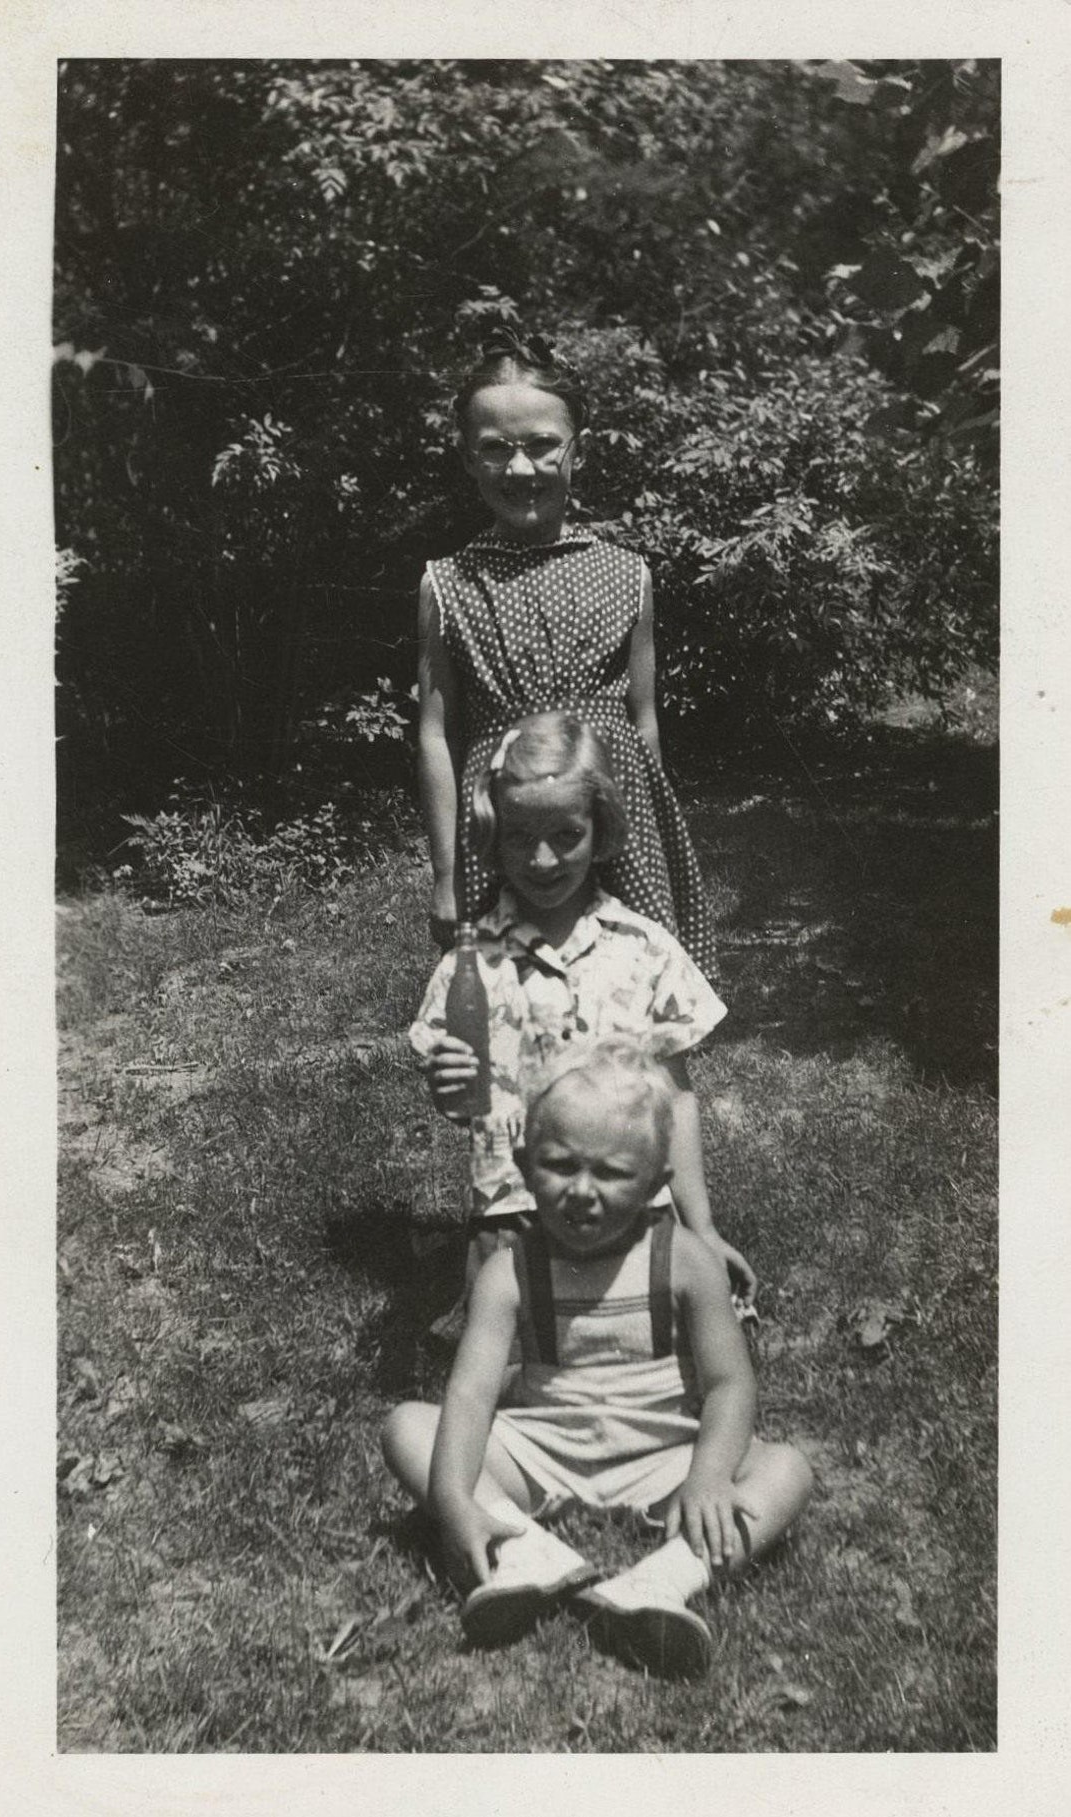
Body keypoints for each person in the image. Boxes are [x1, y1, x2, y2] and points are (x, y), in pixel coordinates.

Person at [383, 1043, 813, 1677]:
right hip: (544, 1449)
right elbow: (471, 1396)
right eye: (560, 1166)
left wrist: (709, 1476)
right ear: (527, 1167)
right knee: (408, 1427)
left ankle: (663, 1582)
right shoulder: (511, 1273)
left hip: (663, 1454)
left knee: (787, 1470)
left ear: (655, 1184)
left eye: (611, 1173)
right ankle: (521, 1549)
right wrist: (451, 1498)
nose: (582, 1192)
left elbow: (728, 1385)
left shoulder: (686, 1259)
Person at [409, 710, 756, 1305]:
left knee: (646, 1368)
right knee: (514, 1377)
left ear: (601, 830)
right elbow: (462, 1104)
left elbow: (676, 1097)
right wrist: (446, 1088)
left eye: (565, 835)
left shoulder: (645, 951)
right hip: (512, 1217)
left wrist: (702, 1230)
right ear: (493, 838)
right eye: (520, 837)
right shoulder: (470, 966)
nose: (542, 860)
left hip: (632, 1207)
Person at [417, 323, 719, 981]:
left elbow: (644, 725)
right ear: (468, 457)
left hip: (608, 820)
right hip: (505, 832)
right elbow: (437, 733)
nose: (520, 468)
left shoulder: (626, 573)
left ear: (576, 451)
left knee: (627, 995)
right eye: (495, 449)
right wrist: (446, 872)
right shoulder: (448, 582)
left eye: (542, 446)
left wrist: (649, 842)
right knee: (504, 1000)